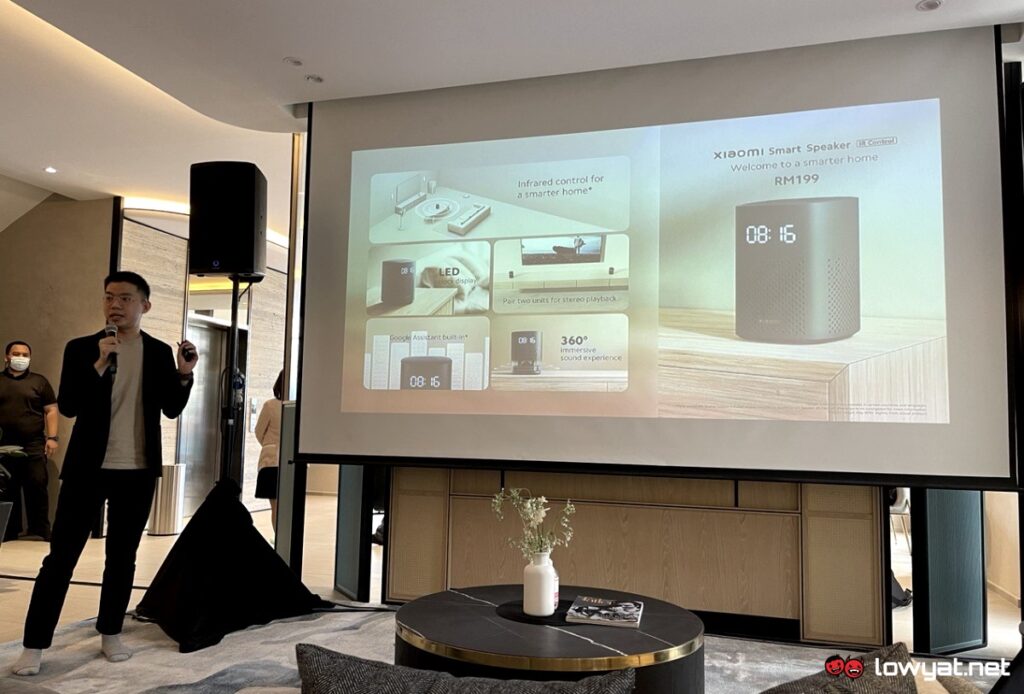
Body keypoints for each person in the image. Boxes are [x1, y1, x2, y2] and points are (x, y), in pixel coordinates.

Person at [12, 271, 198, 676]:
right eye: (109, 297)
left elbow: (171, 408)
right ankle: (34, 644)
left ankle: (110, 632)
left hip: (138, 470)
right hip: (87, 470)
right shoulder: (82, 348)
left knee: (122, 558)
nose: (115, 304)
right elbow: (70, 406)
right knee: (60, 559)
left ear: (145, 305)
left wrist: (184, 374)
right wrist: (98, 362)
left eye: (125, 298)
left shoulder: (158, 352)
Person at [0, 341, 58, 541]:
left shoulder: (39, 382)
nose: (21, 358)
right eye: (16, 353)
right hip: (3, 445)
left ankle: (40, 529)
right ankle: (9, 530)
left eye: (25, 355)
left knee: (37, 485)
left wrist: (52, 437)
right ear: (7, 357)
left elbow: (51, 409)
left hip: (33, 444)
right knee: (7, 488)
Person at [254, 370, 283, 529]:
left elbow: (259, 432)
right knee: (288, 505)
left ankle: (279, 538)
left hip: (271, 462)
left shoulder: (270, 406)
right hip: (291, 463)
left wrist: (270, 445)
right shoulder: (300, 406)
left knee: (276, 506)